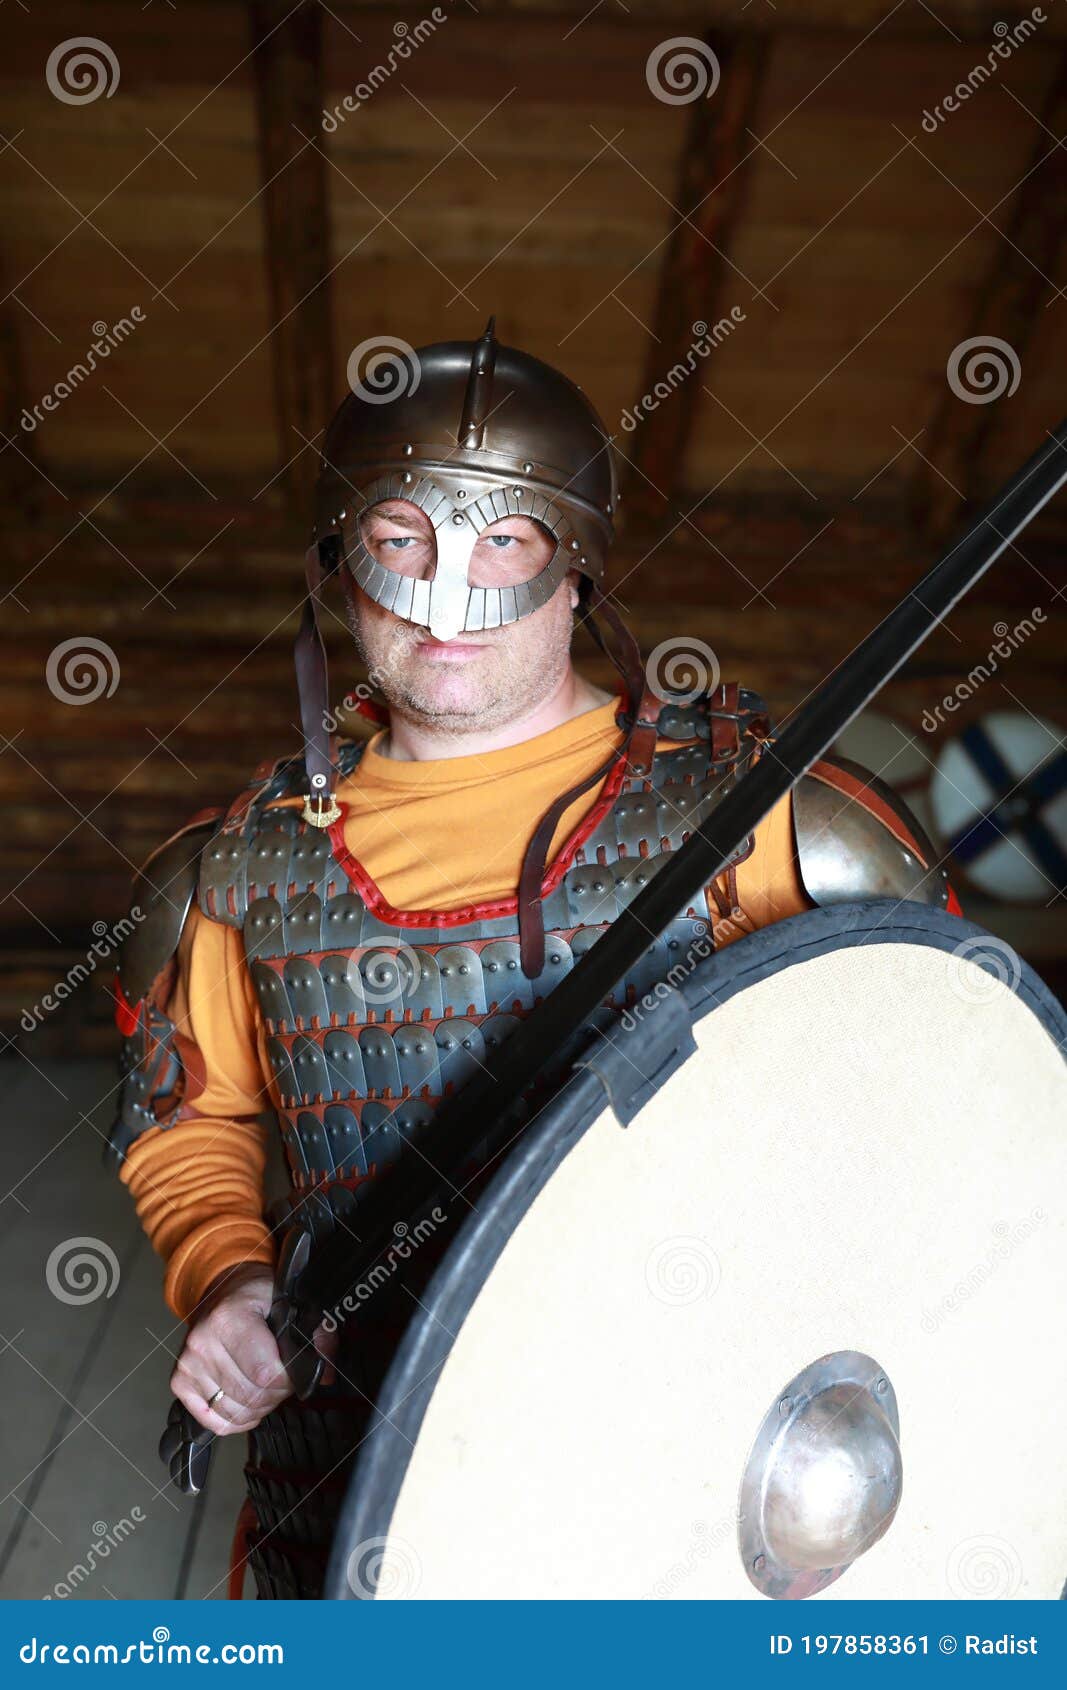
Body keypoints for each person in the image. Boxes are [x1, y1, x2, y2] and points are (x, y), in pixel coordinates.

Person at [108, 319, 952, 1598]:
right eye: (404, 539)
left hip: (698, 1462)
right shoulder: (238, 870)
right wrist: (228, 1277)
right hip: (356, 1465)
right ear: (344, 567)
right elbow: (192, 1116)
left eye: (500, 539)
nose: (448, 592)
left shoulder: (768, 821)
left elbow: (953, 1113)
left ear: (577, 569)